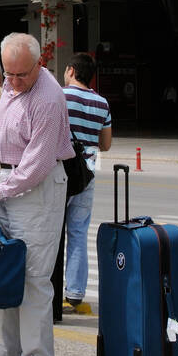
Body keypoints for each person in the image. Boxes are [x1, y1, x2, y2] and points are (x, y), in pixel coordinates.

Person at [0, 33, 73, 356]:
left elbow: (37, 164)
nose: (12, 83)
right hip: (9, 187)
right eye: (8, 75)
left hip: (36, 192)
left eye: (20, 76)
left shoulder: (47, 98)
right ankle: (10, 350)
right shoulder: (14, 88)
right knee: (9, 271)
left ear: (39, 64)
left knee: (33, 278)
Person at [62, 52, 112, 315]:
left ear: (71, 70)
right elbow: (105, 144)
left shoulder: (60, 96)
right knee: (78, 233)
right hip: (87, 174)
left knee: (53, 233)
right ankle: (75, 293)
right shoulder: (101, 103)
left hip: (59, 173)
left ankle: (50, 289)